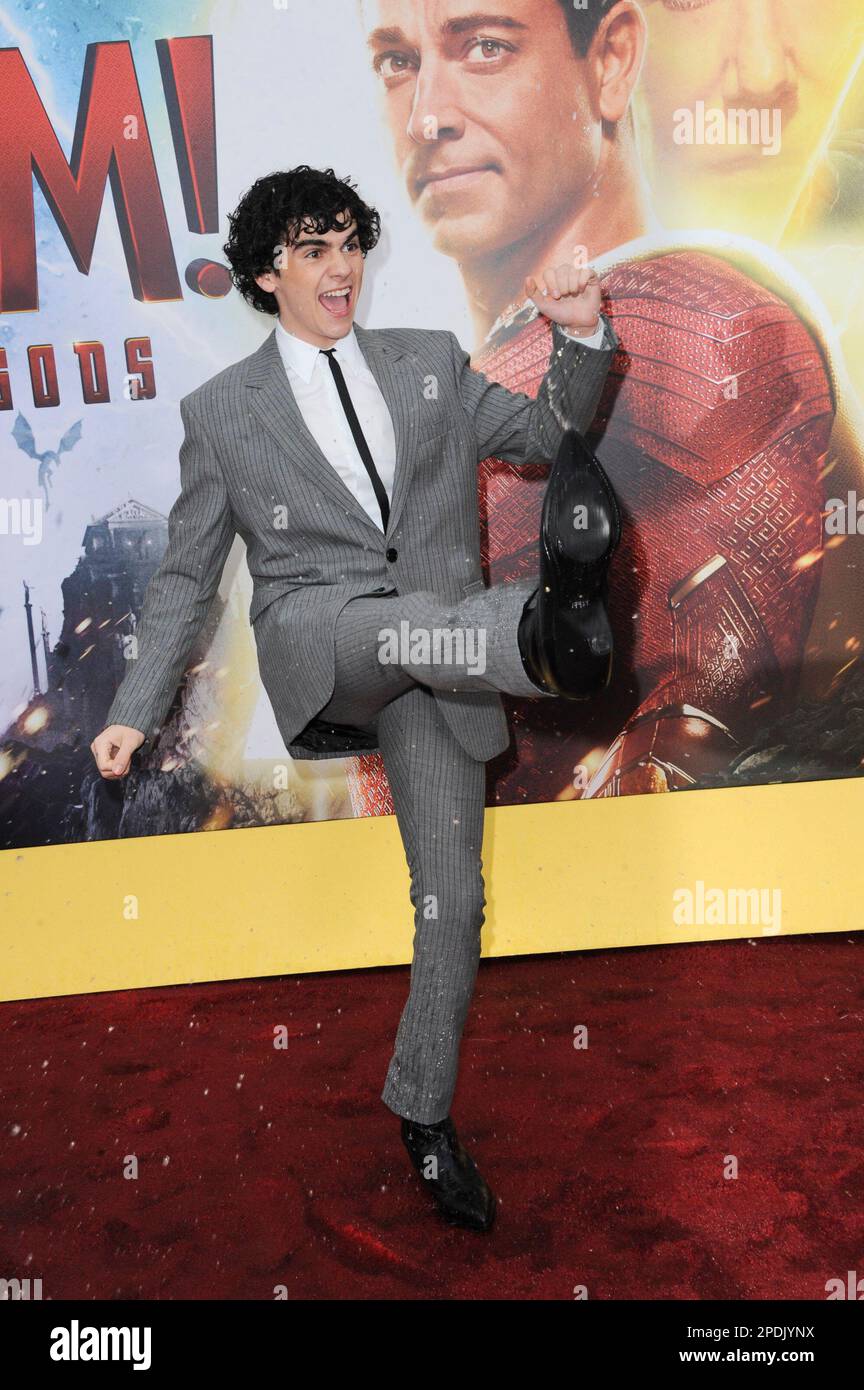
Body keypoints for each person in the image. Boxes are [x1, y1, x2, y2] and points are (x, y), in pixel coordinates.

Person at [90, 165, 620, 1232]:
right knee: (391, 623)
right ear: (264, 272)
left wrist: (582, 331)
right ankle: (540, 635)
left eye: (351, 245)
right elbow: (188, 576)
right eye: (314, 250)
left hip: (440, 667)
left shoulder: (427, 362)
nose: (341, 269)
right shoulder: (222, 412)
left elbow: (555, 428)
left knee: (454, 907)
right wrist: (135, 707)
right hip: (328, 639)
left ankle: (422, 1115)